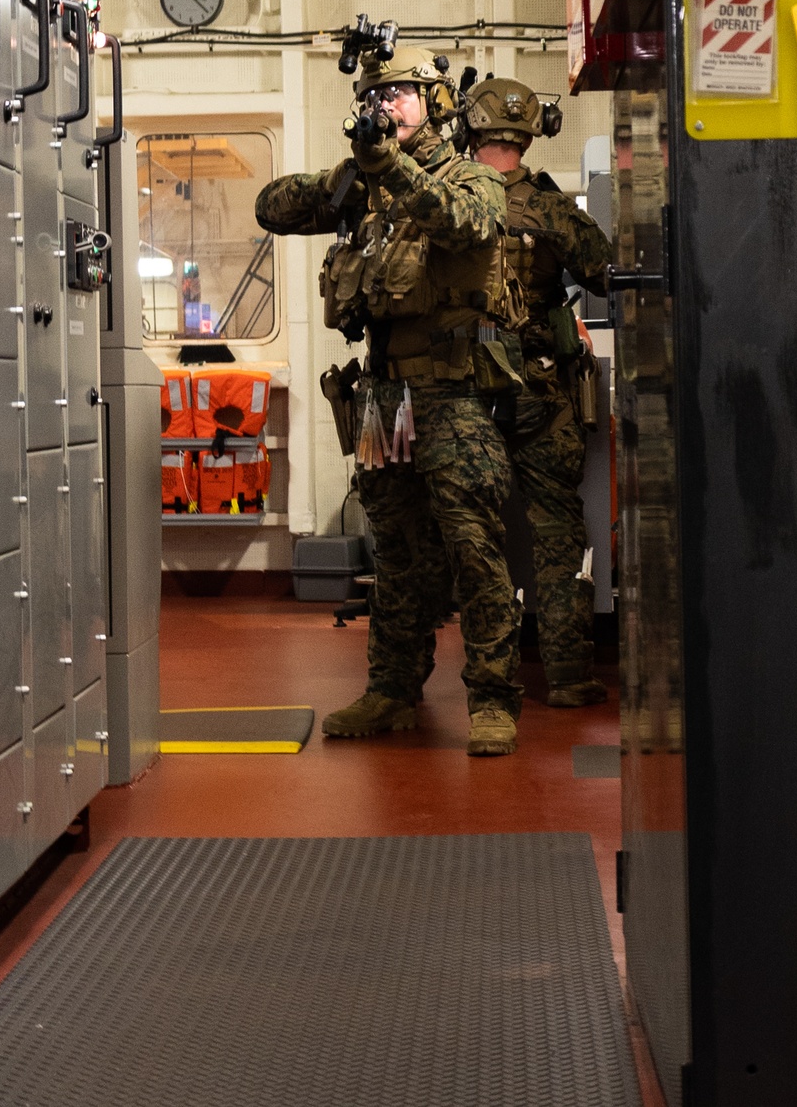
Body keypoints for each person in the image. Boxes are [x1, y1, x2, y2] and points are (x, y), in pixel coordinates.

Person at [255, 47, 526, 755]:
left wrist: (393, 168)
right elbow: (273, 207)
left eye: (401, 93)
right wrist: (351, 170)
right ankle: (391, 691)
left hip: (452, 393)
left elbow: (467, 224)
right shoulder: (364, 182)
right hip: (381, 398)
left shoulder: (469, 177)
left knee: (474, 548)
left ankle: (494, 700)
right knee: (396, 550)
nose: (387, 105)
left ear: (435, 102)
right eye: (376, 95)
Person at [463, 75, 611, 707]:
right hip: (541, 388)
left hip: (461, 394)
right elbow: (604, 270)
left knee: (472, 536)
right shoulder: (551, 209)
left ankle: (489, 685)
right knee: (556, 531)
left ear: (472, 129)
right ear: (528, 135)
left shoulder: (448, 200)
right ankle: (571, 675)